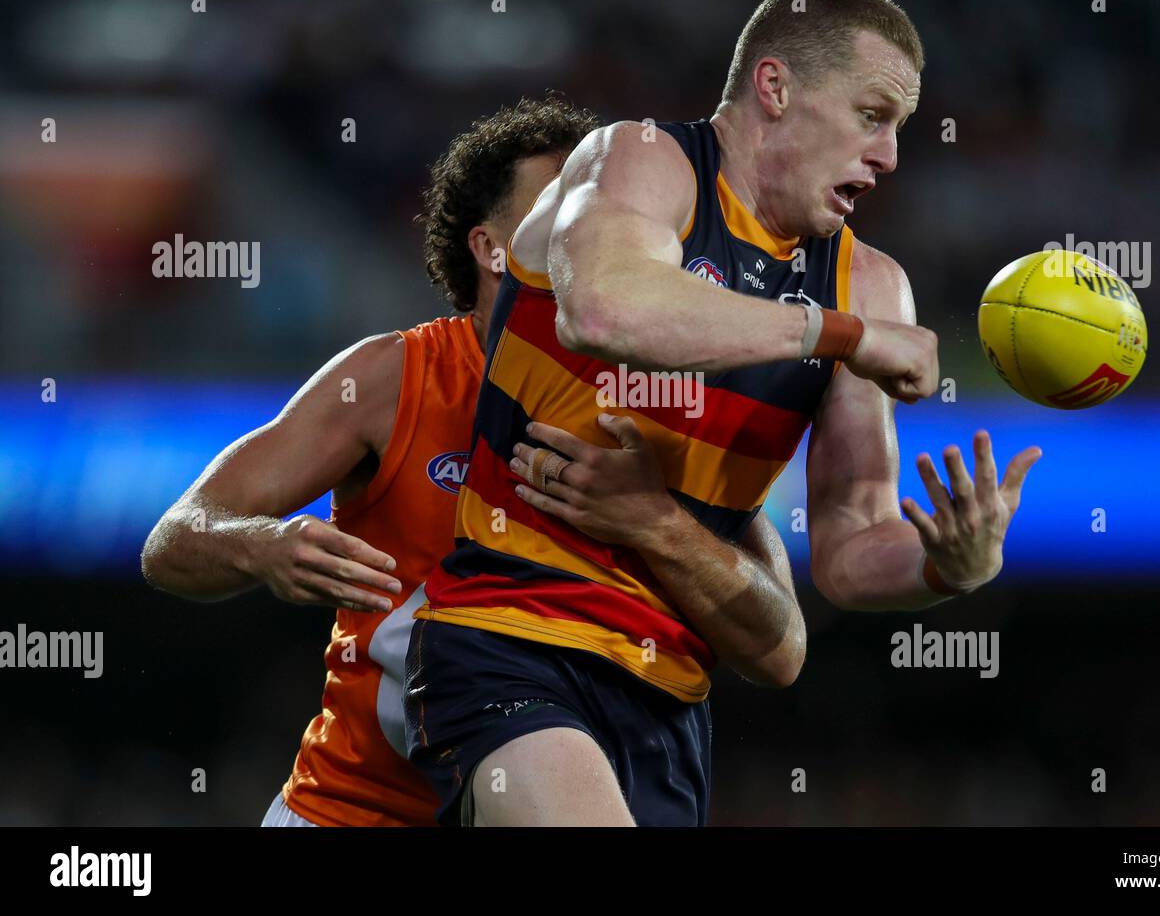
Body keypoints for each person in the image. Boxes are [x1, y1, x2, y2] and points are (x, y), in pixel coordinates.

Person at [406, 0, 1041, 827]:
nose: (889, 155)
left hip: (669, 696)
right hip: (510, 638)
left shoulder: (870, 285)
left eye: (899, 128)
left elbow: (851, 547)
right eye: (871, 115)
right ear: (775, 87)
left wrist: (947, 569)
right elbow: (604, 310)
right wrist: (840, 336)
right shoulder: (639, 161)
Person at [141, 96, 804, 827]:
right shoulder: (395, 379)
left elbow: (778, 649)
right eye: (566, 206)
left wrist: (656, 522)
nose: (594, 227)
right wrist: (263, 546)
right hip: (357, 813)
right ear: (492, 250)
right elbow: (174, 539)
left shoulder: (670, 405)